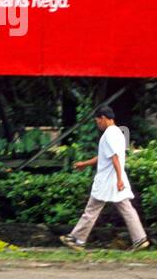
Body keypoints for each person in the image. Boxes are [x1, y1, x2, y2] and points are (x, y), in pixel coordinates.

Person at [60, 106, 151, 252]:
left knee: (91, 209)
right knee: (126, 209)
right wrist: (85, 163)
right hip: (114, 178)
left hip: (109, 179)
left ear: (103, 118)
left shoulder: (109, 134)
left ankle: (77, 239)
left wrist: (119, 179)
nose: (98, 124)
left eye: (97, 121)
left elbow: (114, 157)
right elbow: (105, 156)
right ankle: (140, 239)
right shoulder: (118, 133)